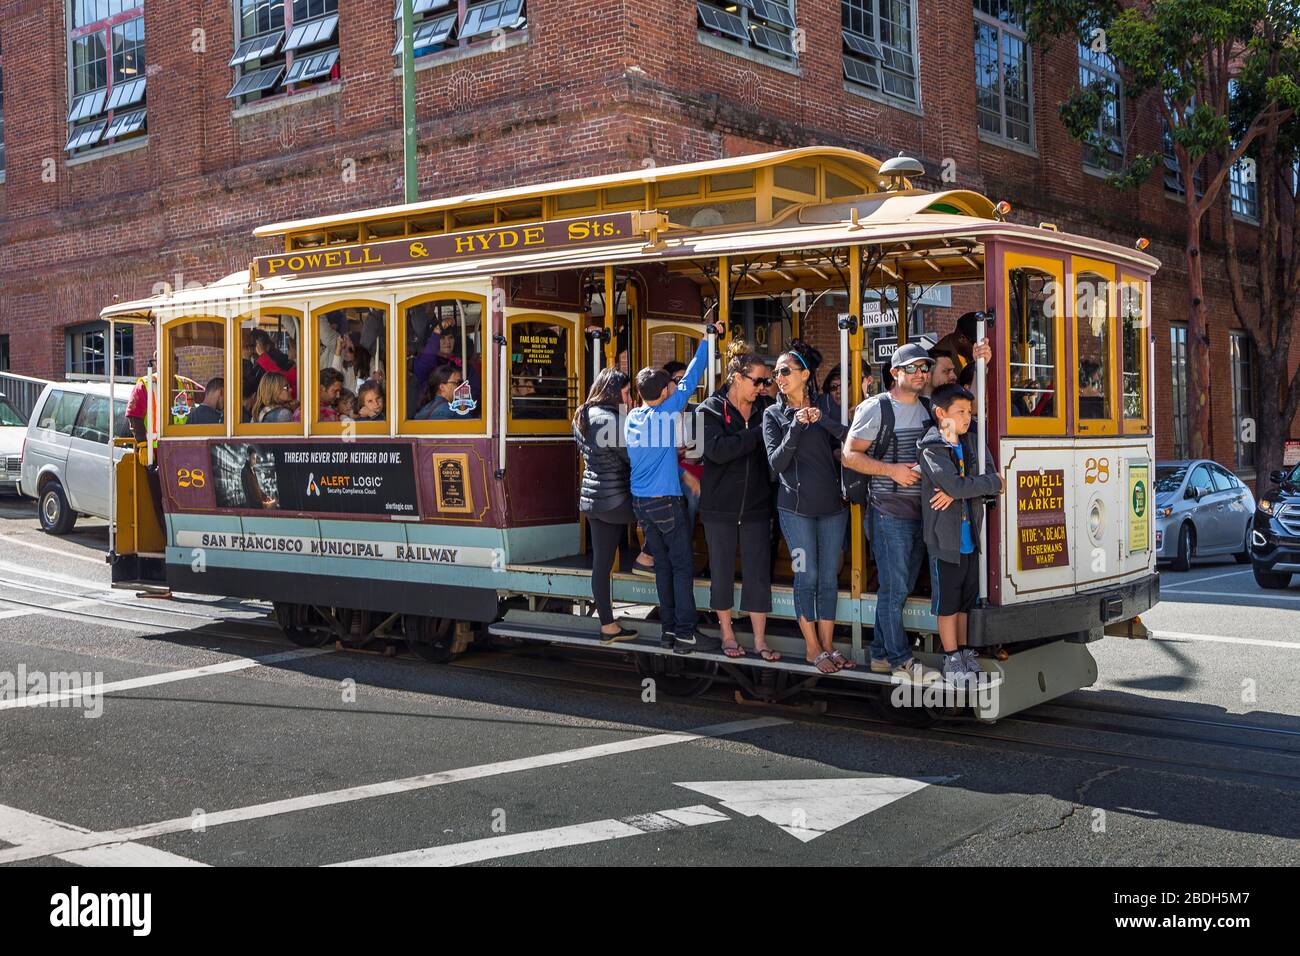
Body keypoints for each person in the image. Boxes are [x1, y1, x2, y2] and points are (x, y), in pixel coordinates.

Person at [842, 343, 941, 685]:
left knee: (902, 586)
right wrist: (892, 470)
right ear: (895, 372)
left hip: (922, 514)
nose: (920, 374)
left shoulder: (930, 408)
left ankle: (881, 653)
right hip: (888, 513)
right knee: (895, 588)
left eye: (925, 368)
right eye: (912, 368)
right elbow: (849, 456)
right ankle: (901, 660)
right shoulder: (876, 408)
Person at [625, 323, 723, 655]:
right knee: (681, 566)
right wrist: (709, 337)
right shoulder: (667, 412)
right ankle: (685, 631)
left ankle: (668, 630)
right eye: (669, 387)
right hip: (665, 502)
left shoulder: (633, 417)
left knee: (663, 567)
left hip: (640, 504)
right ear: (664, 393)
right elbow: (693, 375)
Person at [763, 339, 851, 674]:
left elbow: (848, 437)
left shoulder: (828, 407)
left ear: (805, 374)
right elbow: (776, 463)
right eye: (776, 372)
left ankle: (828, 646)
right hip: (794, 510)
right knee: (806, 574)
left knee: (829, 576)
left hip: (832, 508)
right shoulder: (773, 414)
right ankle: (811, 647)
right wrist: (797, 426)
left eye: (785, 371)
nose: (779, 377)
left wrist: (821, 420)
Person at [918, 384, 1004, 684]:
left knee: (966, 601)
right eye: (961, 412)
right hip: (945, 541)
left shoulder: (973, 441)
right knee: (948, 603)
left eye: (970, 411)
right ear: (941, 413)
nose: (968, 417)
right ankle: (951, 657)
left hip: (971, 538)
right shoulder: (932, 447)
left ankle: (966, 653)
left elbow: (994, 477)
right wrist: (971, 486)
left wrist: (965, 487)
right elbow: (963, 485)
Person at [701, 341, 780, 661]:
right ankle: (727, 633)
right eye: (757, 381)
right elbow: (718, 451)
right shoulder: (709, 408)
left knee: (758, 573)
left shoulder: (766, 409)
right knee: (721, 572)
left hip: (758, 506)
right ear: (736, 377)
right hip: (719, 507)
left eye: (766, 382)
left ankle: (760, 640)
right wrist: (758, 433)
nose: (763, 388)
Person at [573, 368, 639, 643]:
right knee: (663, 516)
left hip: (592, 500)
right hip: (615, 500)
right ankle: (648, 560)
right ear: (612, 392)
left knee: (601, 563)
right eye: (625, 392)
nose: (629, 398)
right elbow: (631, 456)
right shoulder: (610, 420)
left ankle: (608, 625)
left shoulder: (583, 415)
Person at [252, 330, 296, 398]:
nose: (287, 350)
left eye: (289, 347)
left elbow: (282, 378)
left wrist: (262, 355)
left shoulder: (279, 360)